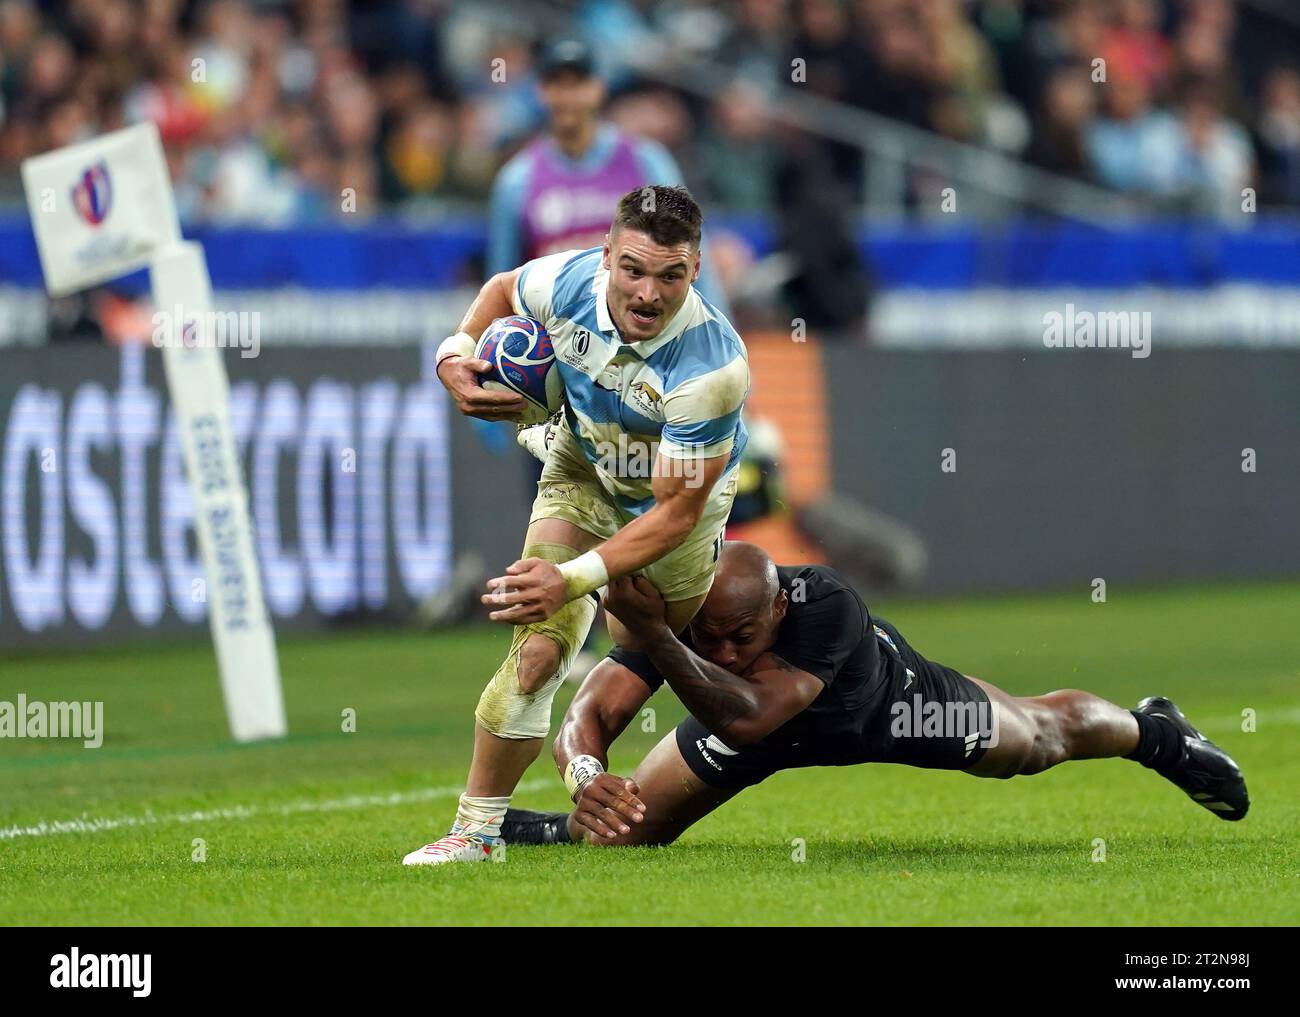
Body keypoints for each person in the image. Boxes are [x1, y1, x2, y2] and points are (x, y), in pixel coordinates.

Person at [402, 184, 750, 865]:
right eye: (633, 270)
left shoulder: (711, 368)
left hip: (670, 507)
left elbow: (674, 512)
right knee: (538, 651)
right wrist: (453, 354)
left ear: (696, 271)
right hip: (584, 473)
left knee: (635, 630)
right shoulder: (565, 282)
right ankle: (475, 833)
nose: (648, 294)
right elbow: (502, 287)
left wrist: (570, 578)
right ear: (606, 257)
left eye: (671, 275)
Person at [501, 542, 1250, 848]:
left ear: (781, 609)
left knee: (1037, 740)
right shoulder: (688, 609)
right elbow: (592, 711)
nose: (724, 647)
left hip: (892, 708)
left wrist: (664, 638)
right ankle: (523, 830)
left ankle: (1155, 733)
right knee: (625, 829)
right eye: (711, 635)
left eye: (744, 635)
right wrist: (586, 777)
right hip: (747, 725)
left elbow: (756, 711)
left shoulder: (826, 604)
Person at [486, 36, 729, 312]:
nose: (569, 96)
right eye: (557, 84)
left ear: (599, 88)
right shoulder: (518, 180)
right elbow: (502, 285)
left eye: (578, 83)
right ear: (541, 91)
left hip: (643, 340)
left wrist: (720, 333)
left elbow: (693, 257)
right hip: (554, 343)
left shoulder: (646, 162)